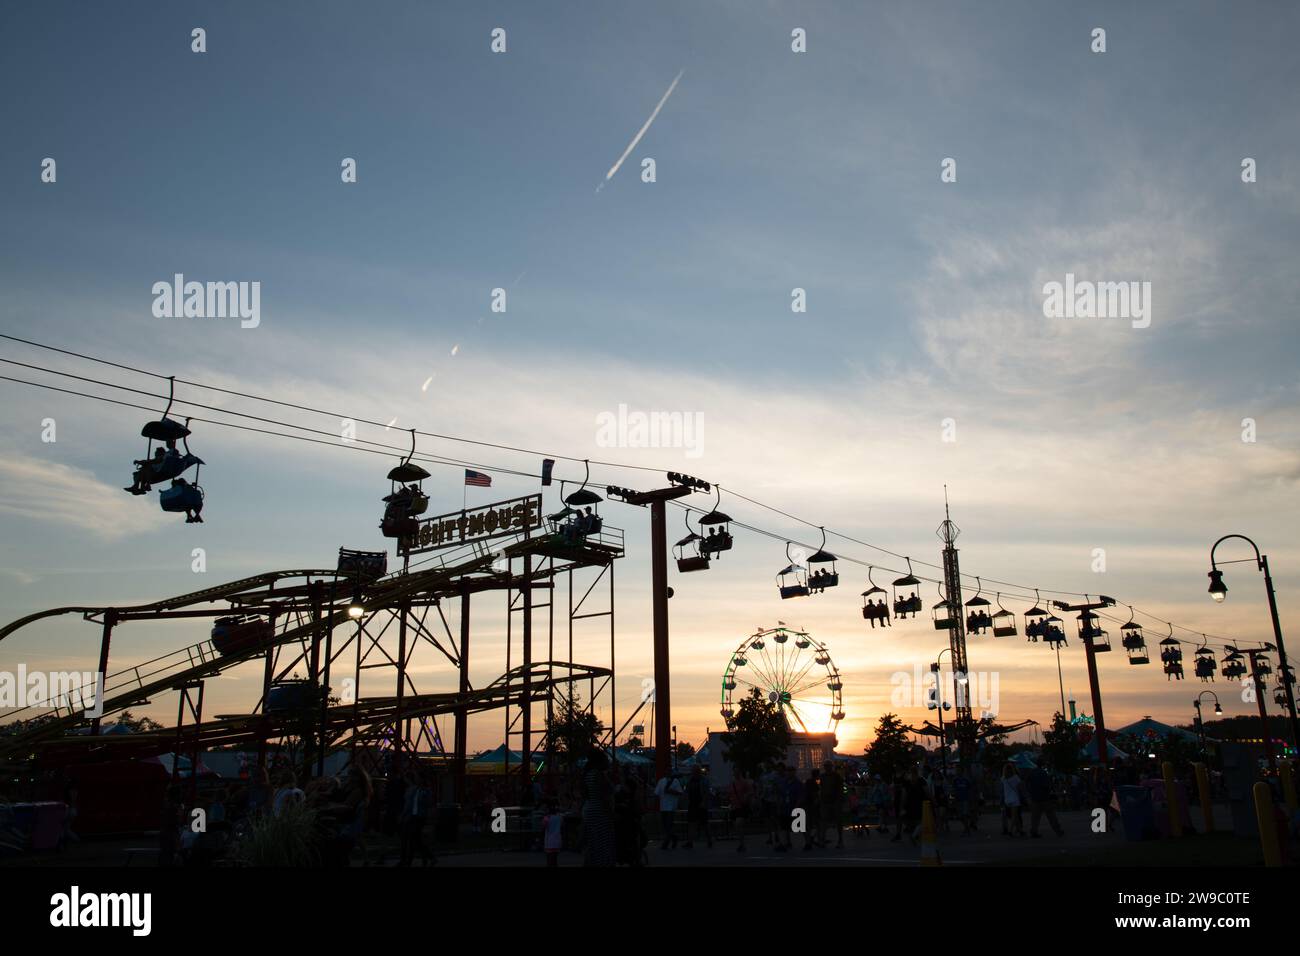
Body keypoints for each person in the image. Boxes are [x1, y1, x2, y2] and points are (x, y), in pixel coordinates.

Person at [580, 749, 615, 866]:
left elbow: (585, 794)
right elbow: (604, 796)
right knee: (603, 844)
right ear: (600, 761)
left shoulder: (587, 774)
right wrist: (610, 813)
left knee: (594, 843)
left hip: (591, 811)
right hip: (600, 813)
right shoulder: (598, 775)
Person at [399, 768, 434, 866]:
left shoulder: (425, 791)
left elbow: (428, 803)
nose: (417, 779)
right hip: (413, 816)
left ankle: (415, 859)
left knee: (414, 839)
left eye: (418, 778)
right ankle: (427, 857)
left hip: (420, 817)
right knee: (416, 840)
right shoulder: (416, 789)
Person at [654, 770, 684, 850]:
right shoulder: (661, 781)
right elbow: (657, 793)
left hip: (671, 807)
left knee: (668, 824)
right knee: (665, 825)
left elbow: (680, 792)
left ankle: (666, 842)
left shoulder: (675, 781)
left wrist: (672, 792)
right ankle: (674, 837)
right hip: (663, 806)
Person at [684, 766, 713, 849]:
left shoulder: (704, 780)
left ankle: (709, 839)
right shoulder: (690, 780)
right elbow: (687, 791)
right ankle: (690, 842)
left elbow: (707, 792)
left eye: (694, 771)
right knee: (691, 823)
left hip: (701, 804)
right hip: (692, 804)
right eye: (693, 771)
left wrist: (704, 802)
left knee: (704, 824)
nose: (693, 773)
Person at [820, 761, 845, 848]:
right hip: (825, 801)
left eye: (828, 766)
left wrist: (840, 799)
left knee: (838, 821)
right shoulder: (822, 776)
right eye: (826, 766)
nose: (827, 767)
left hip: (835, 801)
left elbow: (841, 788)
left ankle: (840, 840)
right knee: (824, 820)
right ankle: (822, 839)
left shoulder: (836, 776)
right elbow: (822, 788)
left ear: (831, 766)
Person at [729, 773, 754, 852]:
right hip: (734, 806)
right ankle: (741, 843)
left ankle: (742, 844)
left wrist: (746, 796)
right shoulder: (732, 783)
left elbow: (751, 792)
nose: (736, 774)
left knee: (738, 823)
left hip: (742, 806)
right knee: (737, 826)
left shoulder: (745, 782)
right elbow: (730, 794)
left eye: (737, 771)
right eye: (735, 772)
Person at [1001, 762, 1026, 837]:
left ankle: (1020, 830)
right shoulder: (1015, 777)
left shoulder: (1003, 778)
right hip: (1015, 799)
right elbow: (1020, 788)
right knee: (1014, 816)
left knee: (1016, 816)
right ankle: (1010, 831)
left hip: (1007, 799)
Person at [542, 799, 565, 867]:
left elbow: (543, 829)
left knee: (549, 861)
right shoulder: (560, 818)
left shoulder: (546, 818)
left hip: (549, 842)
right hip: (557, 841)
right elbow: (563, 829)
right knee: (554, 860)